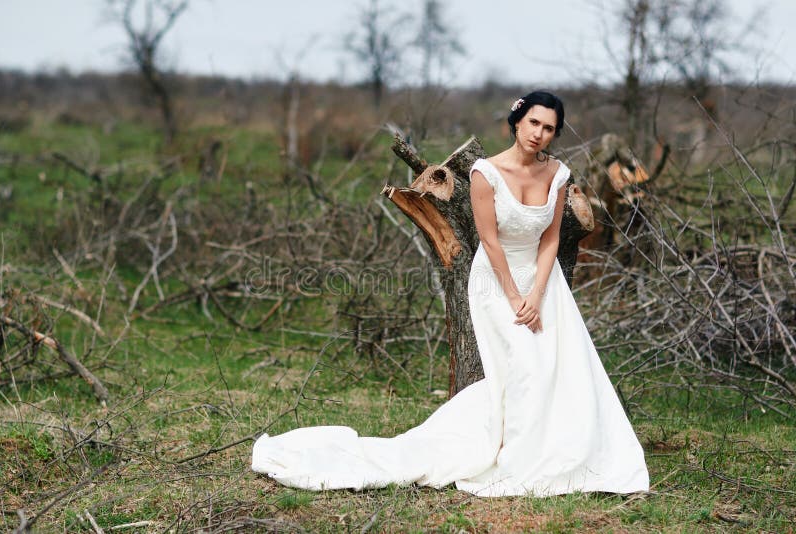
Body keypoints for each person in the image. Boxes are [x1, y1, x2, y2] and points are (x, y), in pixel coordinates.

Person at [252, 91, 650, 497]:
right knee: (526, 366)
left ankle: (565, 450)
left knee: (562, 364)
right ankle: (520, 456)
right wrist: (516, 298)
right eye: (533, 123)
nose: (539, 133)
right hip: (497, 281)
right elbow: (489, 241)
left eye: (549, 128)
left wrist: (539, 292)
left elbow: (550, 239)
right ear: (517, 122)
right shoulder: (486, 173)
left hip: (544, 281)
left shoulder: (558, 174)